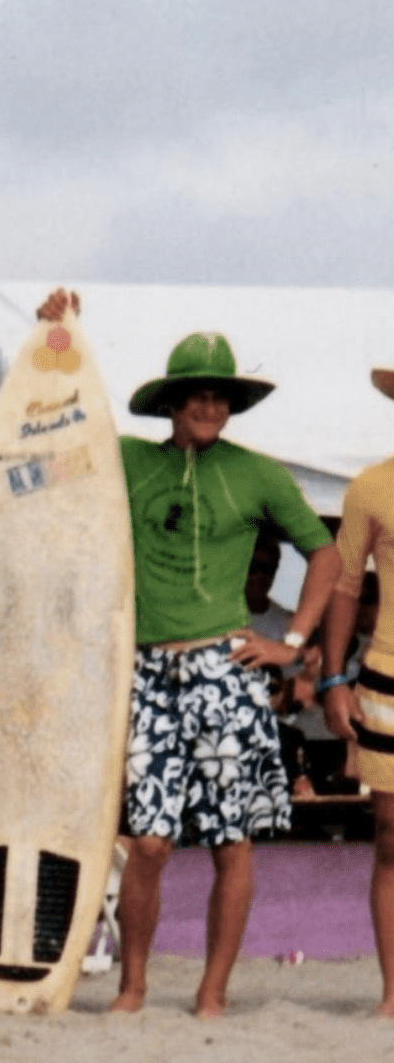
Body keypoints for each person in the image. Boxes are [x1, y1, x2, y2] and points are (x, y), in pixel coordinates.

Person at [39, 290, 339, 1018]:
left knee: (232, 841)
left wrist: (290, 643)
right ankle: (133, 986)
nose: (208, 406)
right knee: (146, 841)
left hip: (224, 667)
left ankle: (211, 994)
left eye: (220, 395)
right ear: (172, 402)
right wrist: (54, 340)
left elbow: (325, 555)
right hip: (145, 671)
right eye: (195, 394)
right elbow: (55, 430)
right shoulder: (127, 459)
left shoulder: (259, 472)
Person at [321, 364, 394, 1015]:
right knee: (393, 835)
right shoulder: (372, 486)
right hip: (385, 680)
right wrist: (332, 677)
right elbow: (344, 585)